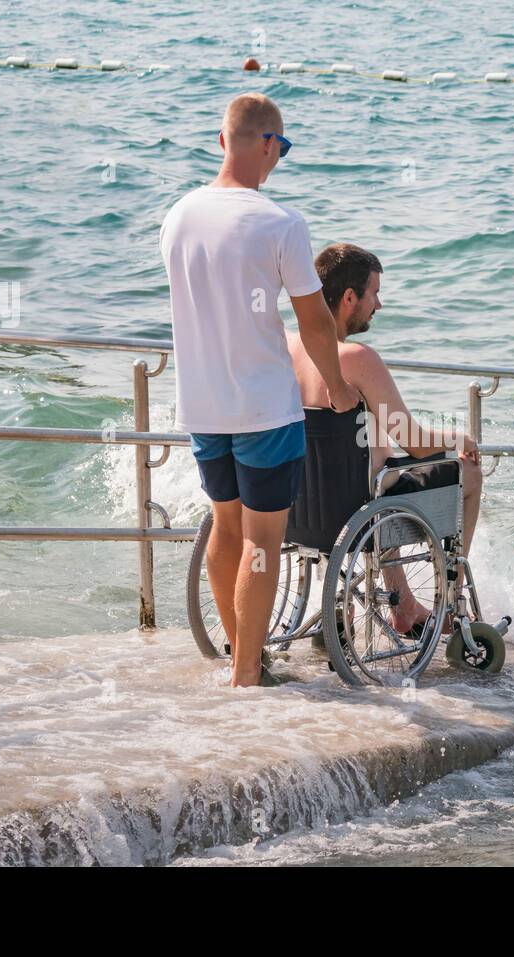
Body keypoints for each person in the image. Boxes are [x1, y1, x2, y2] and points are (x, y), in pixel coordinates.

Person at [161, 94, 359, 687]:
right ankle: (247, 673)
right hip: (265, 408)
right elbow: (316, 323)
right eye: (284, 147)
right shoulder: (280, 222)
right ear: (268, 143)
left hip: (201, 403)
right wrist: (340, 388)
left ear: (224, 141)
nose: (281, 157)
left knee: (226, 529)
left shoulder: (179, 214)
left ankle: (245, 656)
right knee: (264, 542)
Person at [287, 243, 482, 635]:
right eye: (374, 293)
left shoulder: (288, 347)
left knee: (377, 458)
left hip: (298, 507)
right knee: (468, 475)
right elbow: (415, 441)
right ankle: (451, 601)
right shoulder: (357, 358)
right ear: (349, 298)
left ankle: (402, 605)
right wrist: (462, 438)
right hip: (358, 509)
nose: (379, 305)